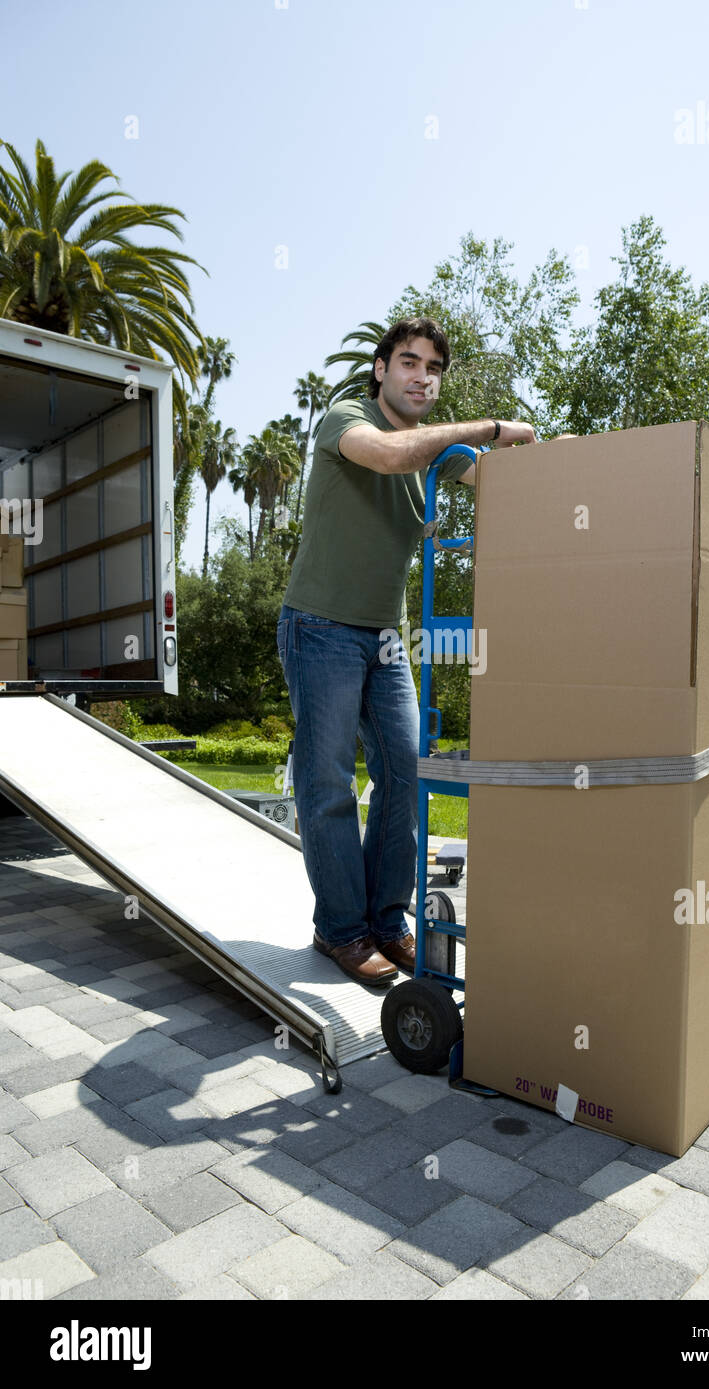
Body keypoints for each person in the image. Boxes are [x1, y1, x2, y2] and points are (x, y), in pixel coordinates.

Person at [276, 316, 536, 985]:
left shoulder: (434, 455)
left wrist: (548, 459)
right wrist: (487, 430)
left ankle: (388, 923)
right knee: (327, 784)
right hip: (321, 626)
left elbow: (496, 482)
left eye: (433, 369)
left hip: (385, 637)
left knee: (405, 773)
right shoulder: (346, 418)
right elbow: (390, 455)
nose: (422, 377)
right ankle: (339, 930)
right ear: (381, 369)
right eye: (410, 363)